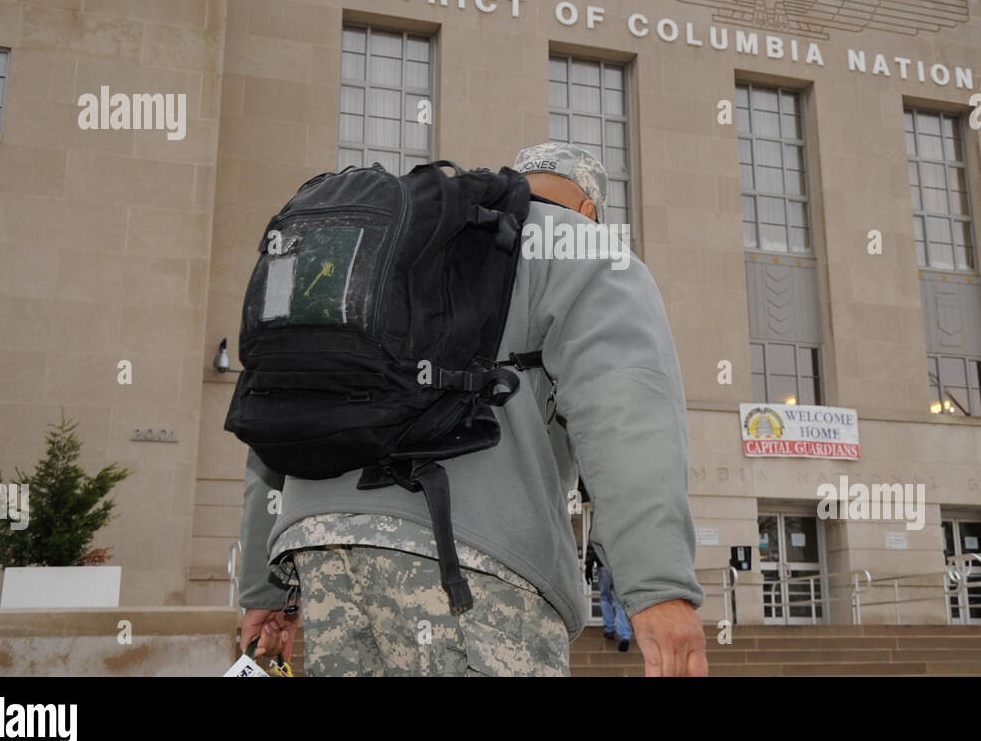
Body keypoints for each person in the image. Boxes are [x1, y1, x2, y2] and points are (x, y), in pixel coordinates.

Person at [237, 142, 708, 676]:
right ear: (587, 209)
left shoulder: (392, 242)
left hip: (322, 547)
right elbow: (627, 412)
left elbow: (281, 403)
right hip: (473, 565)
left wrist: (265, 586)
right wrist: (658, 588)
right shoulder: (585, 246)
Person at [585, 544, 633, 651]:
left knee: (605, 598)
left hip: (603, 565)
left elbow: (592, 543)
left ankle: (609, 629)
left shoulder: (598, 526)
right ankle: (624, 634)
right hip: (620, 566)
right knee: (620, 601)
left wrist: (589, 563)